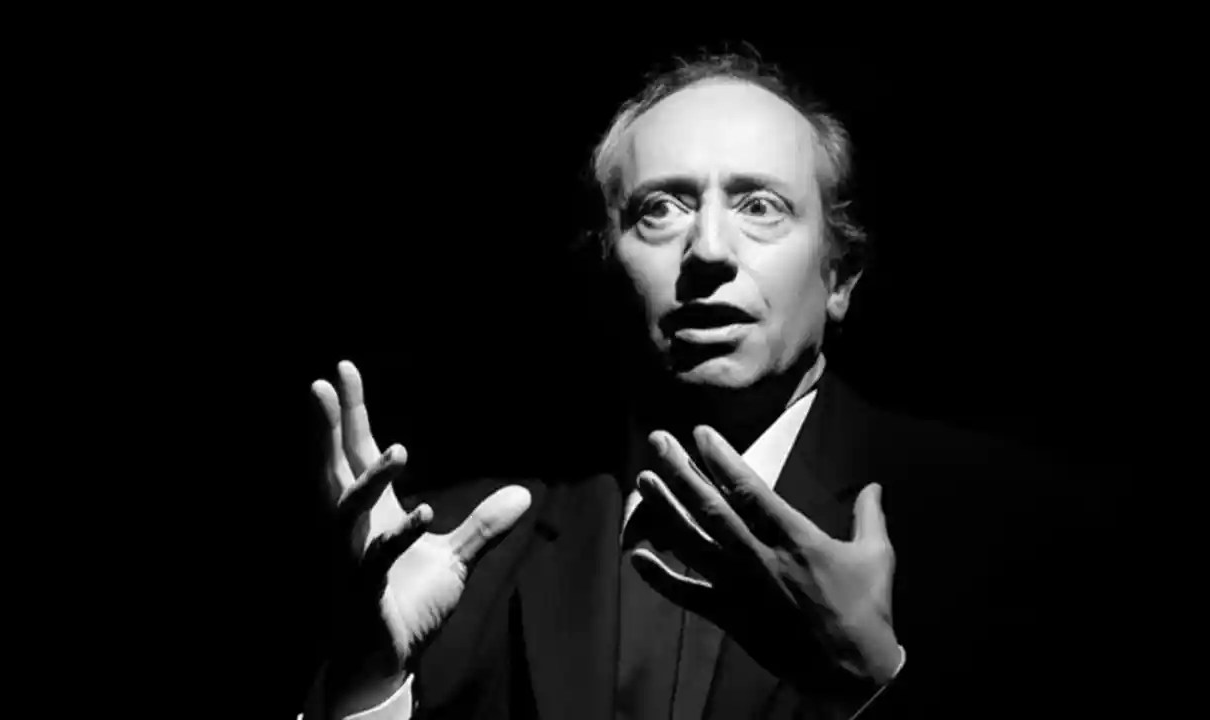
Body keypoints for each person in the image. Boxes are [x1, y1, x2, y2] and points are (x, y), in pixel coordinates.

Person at [298, 52, 1078, 719]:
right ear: (606, 266)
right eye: (661, 208)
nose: (708, 250)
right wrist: (369, 684)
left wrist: (871, 687)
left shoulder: (1018, 526)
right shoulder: (460, 550)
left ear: (839, 277)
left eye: (761, 206)